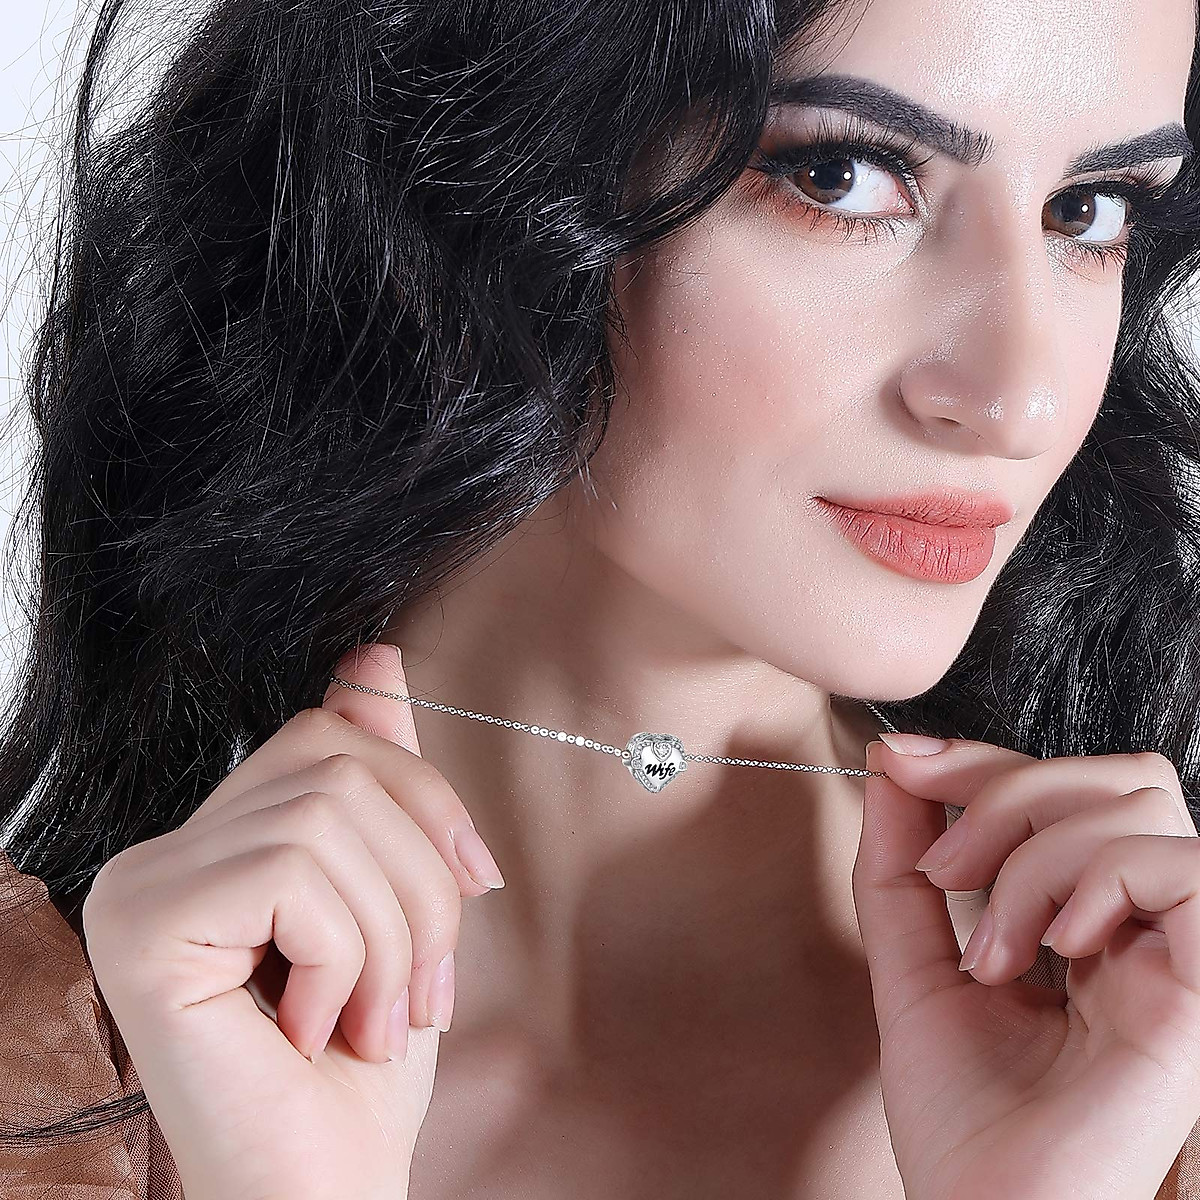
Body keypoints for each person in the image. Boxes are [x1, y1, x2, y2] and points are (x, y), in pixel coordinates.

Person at [3, 0, 1200, 1193]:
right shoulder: (45, 1071)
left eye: (1089, 211)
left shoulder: (1154, 1061)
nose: (1016, 401)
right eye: (840, 178)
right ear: (466, 177)